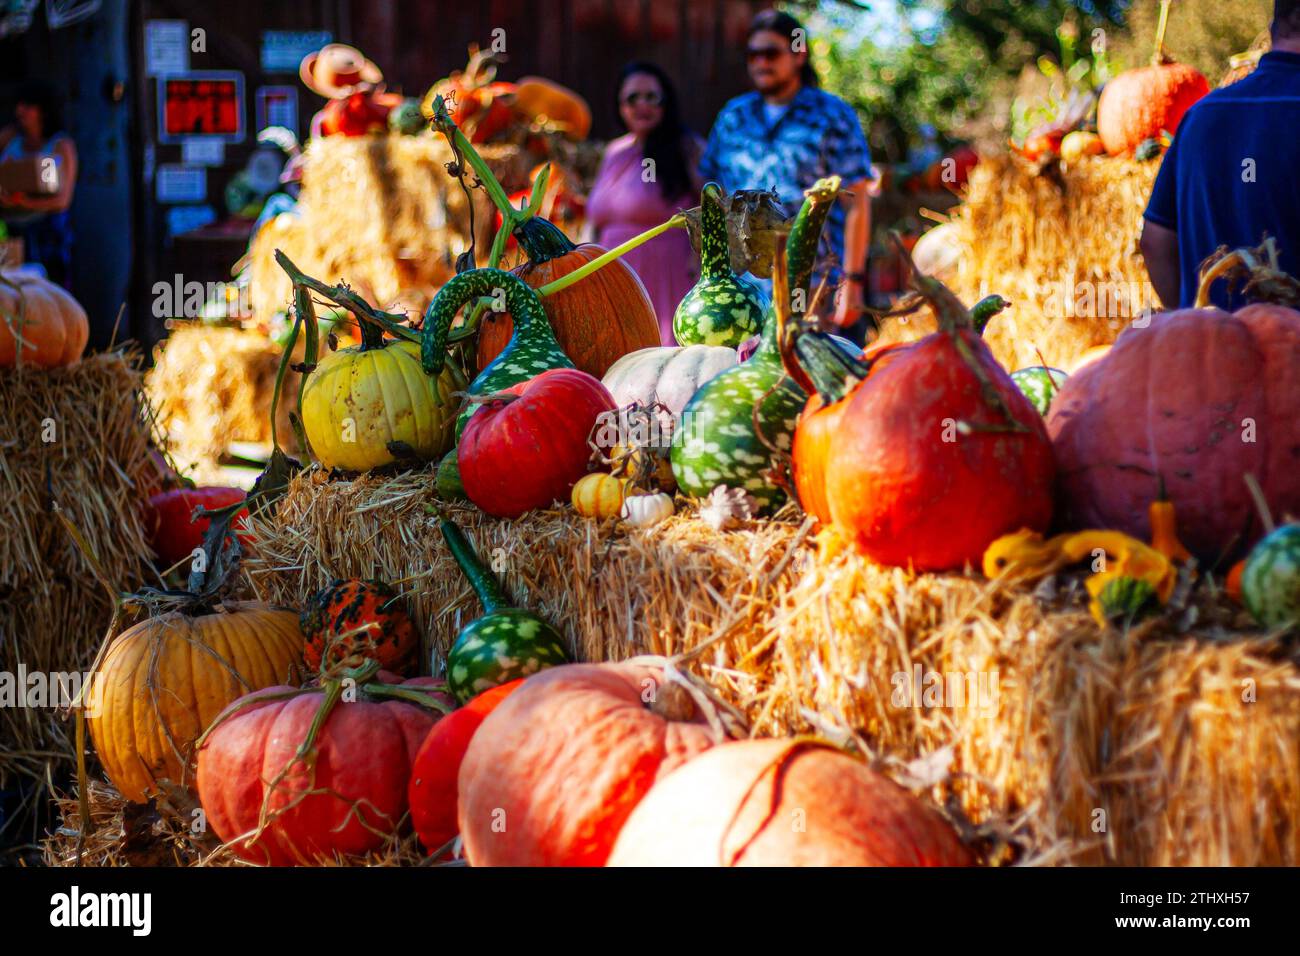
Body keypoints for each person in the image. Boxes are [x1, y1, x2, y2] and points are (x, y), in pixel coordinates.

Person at [699, 9, 874, 332]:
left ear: (799, 54)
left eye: (770, 53)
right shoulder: (733, 116)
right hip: (741, 291)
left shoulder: (833, 114)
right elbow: (709, 191)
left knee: (808, 379)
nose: (760, 63)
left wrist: (853, 280)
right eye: (753, 54)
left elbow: (857, 202)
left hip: (814, 283)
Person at [1140, 1, 1300, 310]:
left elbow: (1154, 241)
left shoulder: (1199, 115)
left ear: (1272, 30)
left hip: (1210, 352)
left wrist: (1195, 323)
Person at [586, 61, 703, 345]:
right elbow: (594, 220)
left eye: (651, 97)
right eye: (632, 98)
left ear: (667, 102)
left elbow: (712, 209)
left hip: (669, 277)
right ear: (620, 106)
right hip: (614, 281)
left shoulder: (689, 149)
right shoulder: (614, 151)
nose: (642, 105)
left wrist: (700, 261)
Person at [0, 80, 77, 286]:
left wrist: (25, 202)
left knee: (46, 291)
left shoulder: (60, 146)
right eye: (19, 106)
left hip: (48, 236)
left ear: (42, 111)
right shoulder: (10, 139)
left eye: (27, 106)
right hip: (11, 229)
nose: (20, 111)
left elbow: (63, 200)